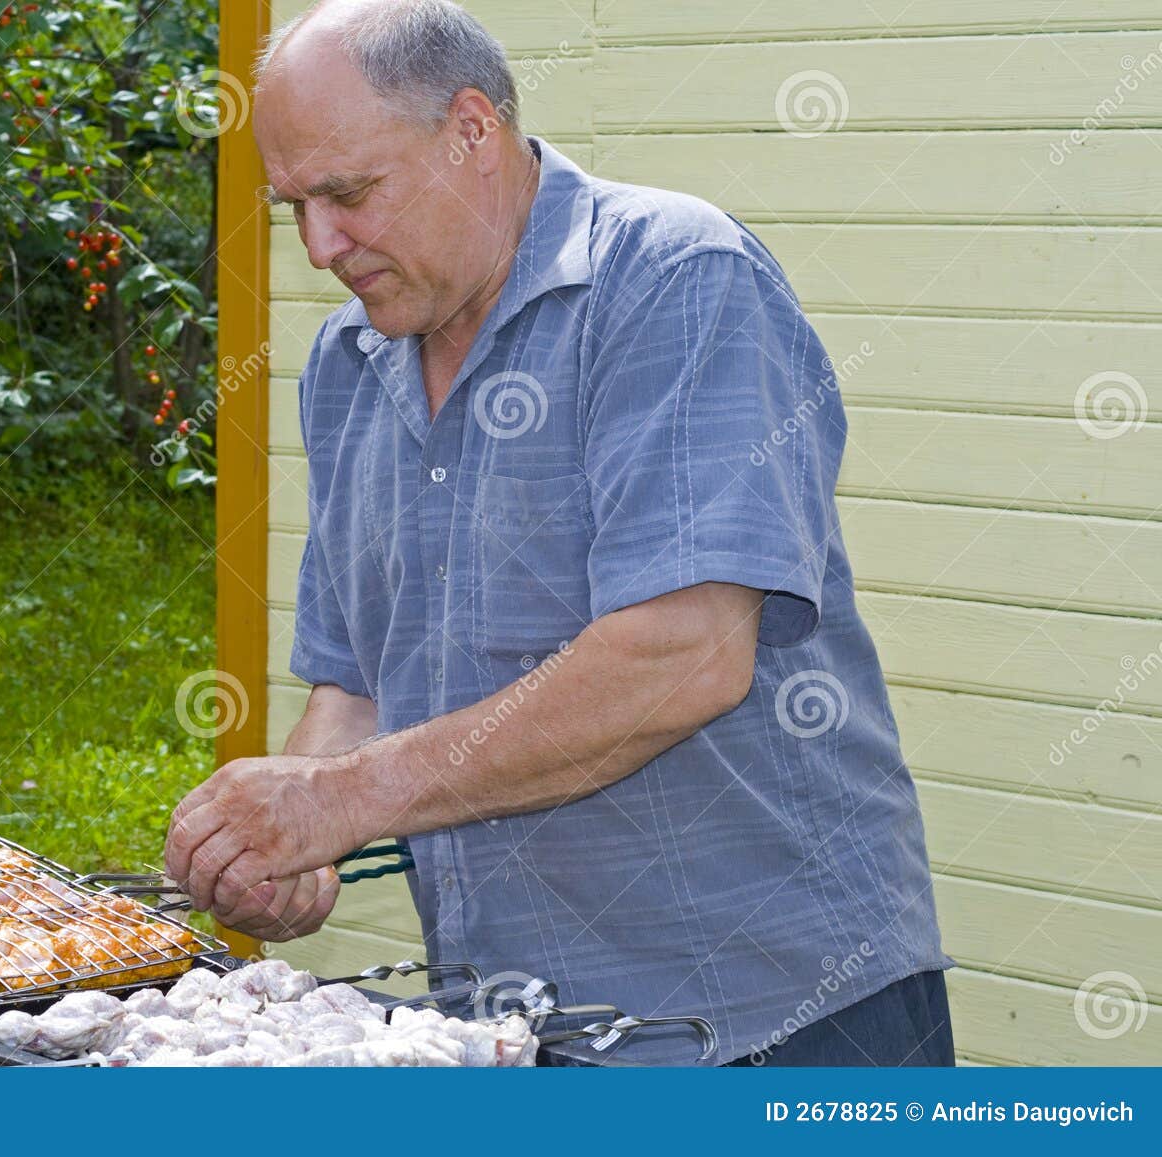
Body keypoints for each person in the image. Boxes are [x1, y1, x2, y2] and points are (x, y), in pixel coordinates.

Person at [165, 0, 954, 1066]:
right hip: (504, 1027)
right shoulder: (349, 366)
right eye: (294, 207)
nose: (320, 246)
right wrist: (293, 839)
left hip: (772, 1015)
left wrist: (343, 797)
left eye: (348, 194)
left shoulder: (675, 280)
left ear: (472, 131)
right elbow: (354, 680)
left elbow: (685, 654)